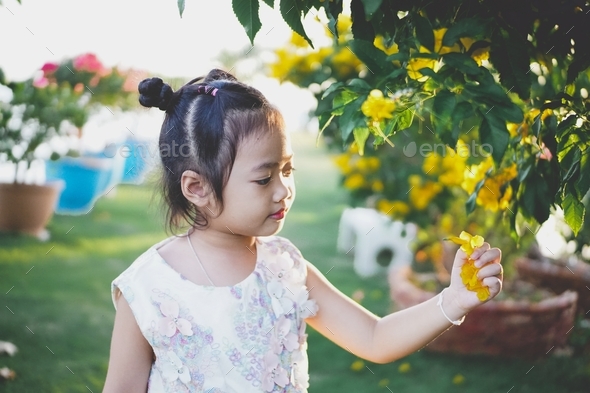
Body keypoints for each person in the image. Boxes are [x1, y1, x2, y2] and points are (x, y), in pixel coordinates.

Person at [102, 69, 503, 393]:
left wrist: (452, 301)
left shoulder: (285, 267)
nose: (283, 190)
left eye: (287, 169)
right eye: (264, 179)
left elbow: (375, 338)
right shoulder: (147, 286)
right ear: (197, 187)